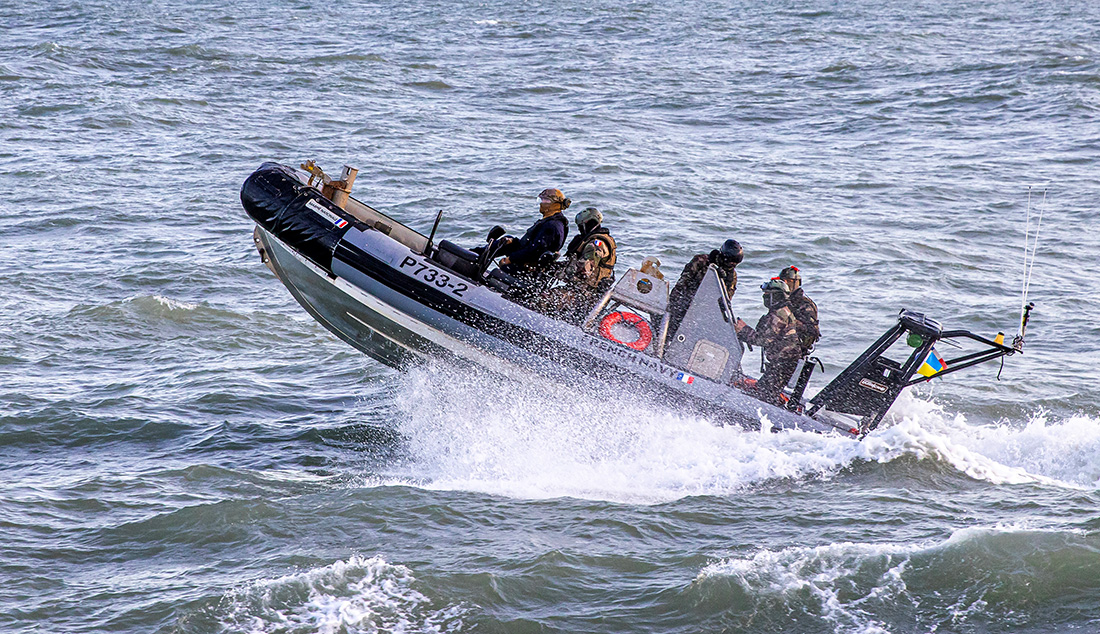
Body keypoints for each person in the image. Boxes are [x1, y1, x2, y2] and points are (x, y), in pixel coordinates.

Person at [541, 207, 617, 321]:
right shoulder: (597, 241)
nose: (580, 230)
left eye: (581, 226)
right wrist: (556, 266)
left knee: (542, 299)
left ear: (587, 224)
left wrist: (558, 272)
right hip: (581, 292)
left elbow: (584, 271)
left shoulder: (595, 244)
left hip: (585, 295)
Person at [735, 278, 802, 405]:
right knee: (764, 391)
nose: (764, 297)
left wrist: (743, 329)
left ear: (775, 296)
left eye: (767, 294)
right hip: (783, 362)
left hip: (783, 364)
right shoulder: (782, 311)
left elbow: (762, 340)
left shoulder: (779, 315)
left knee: (764, 397)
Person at [667, 239, 742, 336]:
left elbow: (726, 300)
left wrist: (724, 281)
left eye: (736, 263)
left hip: (706, 310)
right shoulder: (701, 261)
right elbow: (682, 283)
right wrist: (673, 304)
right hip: (686, 300)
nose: (733, 266)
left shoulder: (732, 276)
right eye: (731, 263)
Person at [498, 188, 570, 277]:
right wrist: (513, 241)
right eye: (542, 200)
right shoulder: (551, 221)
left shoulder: (552, 226)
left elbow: (534, 251)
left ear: (555, 204)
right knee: (506, 241)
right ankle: (482, 256)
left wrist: (510, 259)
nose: (542, 203)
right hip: (528, 255)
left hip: (530, 266)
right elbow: (532, 244)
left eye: (546, 200)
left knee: (504, 268)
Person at [778, 265, 820, 354]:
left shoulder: (805, 304)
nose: (784, 283)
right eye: (782, 281)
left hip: (798, 348)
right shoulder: (785, 301)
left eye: (787, 280)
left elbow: (811, 330)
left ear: (796, 282)